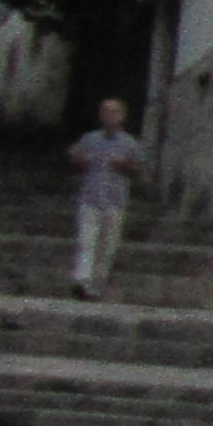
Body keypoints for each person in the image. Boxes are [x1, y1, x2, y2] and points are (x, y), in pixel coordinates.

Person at [66, 98, 143, 299]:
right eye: (106, 112)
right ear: (101, 115)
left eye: (115, 112)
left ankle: (96, 286)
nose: (110, 116)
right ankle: (81, 281)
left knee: (107, 246)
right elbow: (73, 160)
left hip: (115, 201)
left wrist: (123, 165)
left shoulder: (130, 143)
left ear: (122, 116)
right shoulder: (89, 139)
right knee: (87, 242)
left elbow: (139, 172)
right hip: (90, 199)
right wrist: (81, 161)